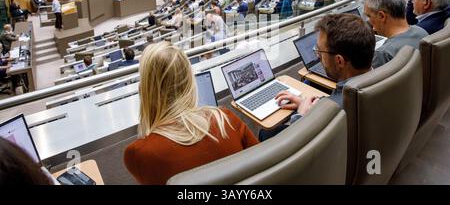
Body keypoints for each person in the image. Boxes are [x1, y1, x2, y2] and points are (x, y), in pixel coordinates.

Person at [123, 42, 258, 184]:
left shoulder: (138, 154)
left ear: (144, 90)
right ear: (189, 81)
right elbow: (263, 162)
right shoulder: (225, 118)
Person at [259, 13, 375, 141]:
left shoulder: (331, 111)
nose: (317, 56)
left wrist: (301, 116)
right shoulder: (382, 78)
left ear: (340, 61)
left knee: (265, 133)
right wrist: (304, 102)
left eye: (320, 51)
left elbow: (293, 147)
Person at [363, 0, 429, 68]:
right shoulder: (421, 32)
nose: (369, 20)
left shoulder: (383, 54)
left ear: (382, 16)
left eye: (369, 16)